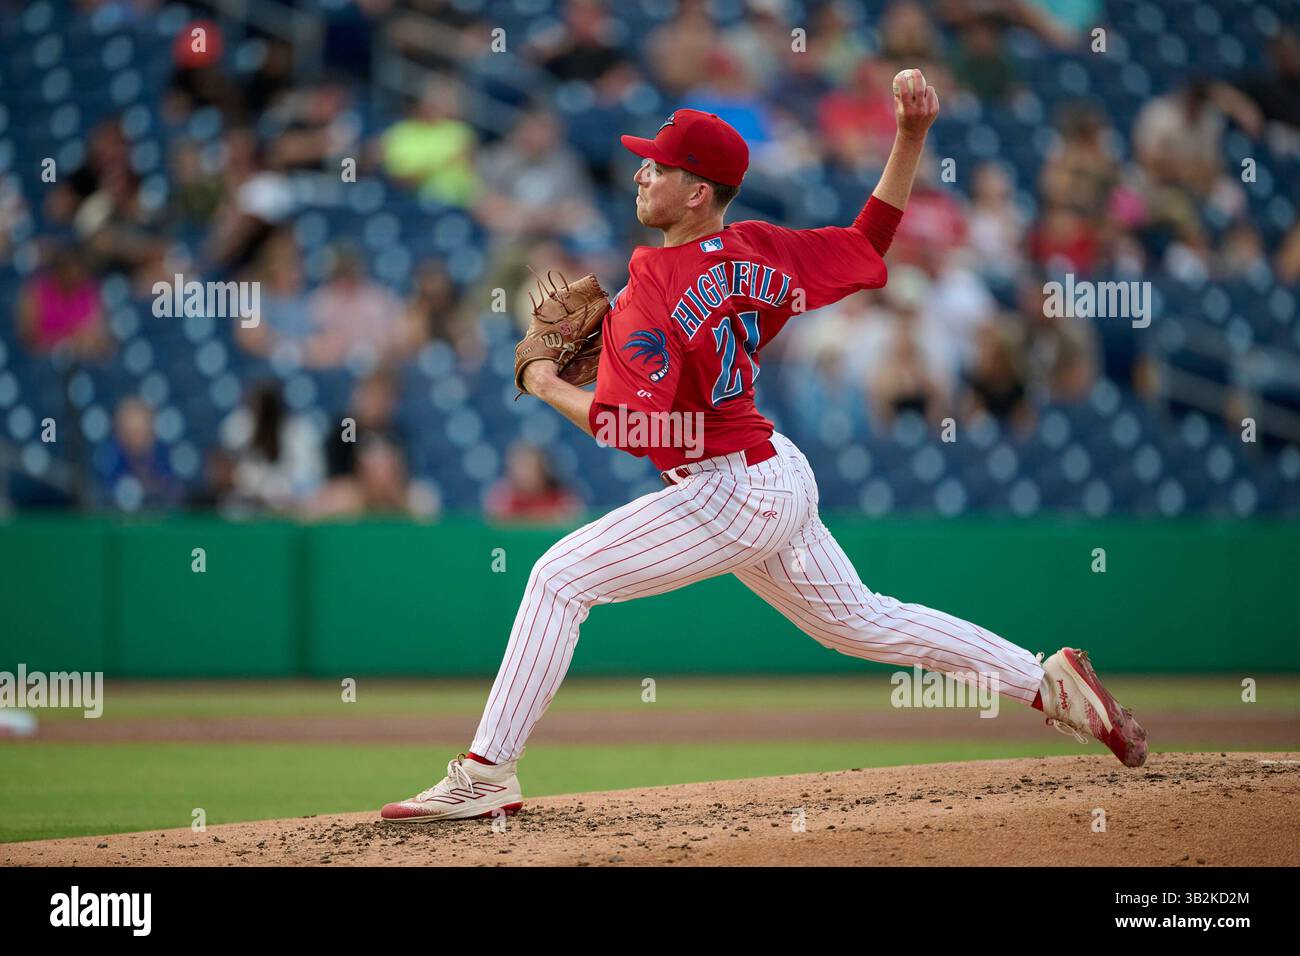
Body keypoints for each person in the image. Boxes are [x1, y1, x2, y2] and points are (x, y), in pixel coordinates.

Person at [380, 70, 1148, 824]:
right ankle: (1047, 683)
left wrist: (547, 382)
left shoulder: (652, 286)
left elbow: (626, 427)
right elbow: (865, 240)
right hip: (772, 472)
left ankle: (485, 773)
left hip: (730, 488)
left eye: (661, 166)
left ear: (697, 193)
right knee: (865, 624)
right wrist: (911, 137)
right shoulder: (753, 250)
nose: (641, 172)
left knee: (556, 578)